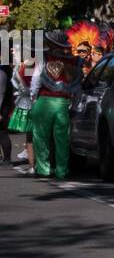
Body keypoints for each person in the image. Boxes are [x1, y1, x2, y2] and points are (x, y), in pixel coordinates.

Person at [29, 31, 82, 178]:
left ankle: (43, 169)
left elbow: (35, 82)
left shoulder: (44, 58)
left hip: (44, 101)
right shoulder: (74, 62)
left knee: (41, 137)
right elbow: (78, 89)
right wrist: (75, 107)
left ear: (51, 44)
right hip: (62, 104)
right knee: (62, 139)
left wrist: (33, 100)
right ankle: (62, 170)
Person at [10, 55, 37, 173]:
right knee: (37, 137)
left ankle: (33, 166)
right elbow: (31, 85)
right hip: (37, 102)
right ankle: (37, 166)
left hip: (28, 103)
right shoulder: (34, 63)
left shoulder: (26, 65)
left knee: (31, 137)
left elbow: (26, 84)